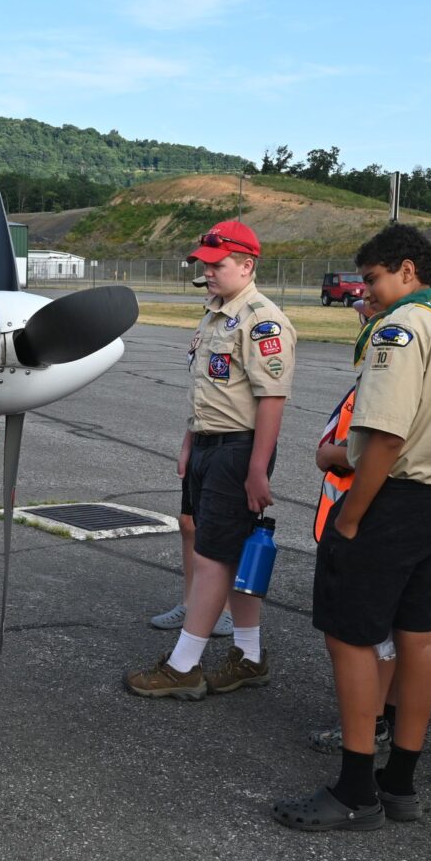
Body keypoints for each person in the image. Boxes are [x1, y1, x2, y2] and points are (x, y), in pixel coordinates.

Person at [271, 223, 431, 832]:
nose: (365, 292)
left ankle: (355, 788)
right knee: (416, 635)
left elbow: (387, 435)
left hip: (396, 499)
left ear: (408, 273)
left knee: (351, 638)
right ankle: (400, 783)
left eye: (372, 279)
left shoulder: (401, 330)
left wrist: (353, 513)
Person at [128, 220, 296, 698]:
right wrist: (189, 442)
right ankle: (249, 654)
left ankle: (184, 665)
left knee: (211, 558)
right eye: (204, 266)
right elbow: (206, 390)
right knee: (232, 552)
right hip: (208, 445)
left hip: (238, 450)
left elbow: (272, 399)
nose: (208, 274)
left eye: (217, 265)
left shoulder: (262, 321)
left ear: (248, 265)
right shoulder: (214, 314)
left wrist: (258, 468)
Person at [150, 266, 235, 640]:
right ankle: (191, 602)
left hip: (232, 444)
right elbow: (202, 393)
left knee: (223, 532)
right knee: (188, 524)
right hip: (201, 437)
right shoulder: (208, 322)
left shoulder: (251, 322)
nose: (207, 291)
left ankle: (227, 610)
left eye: (210, 285)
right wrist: (187, 444)